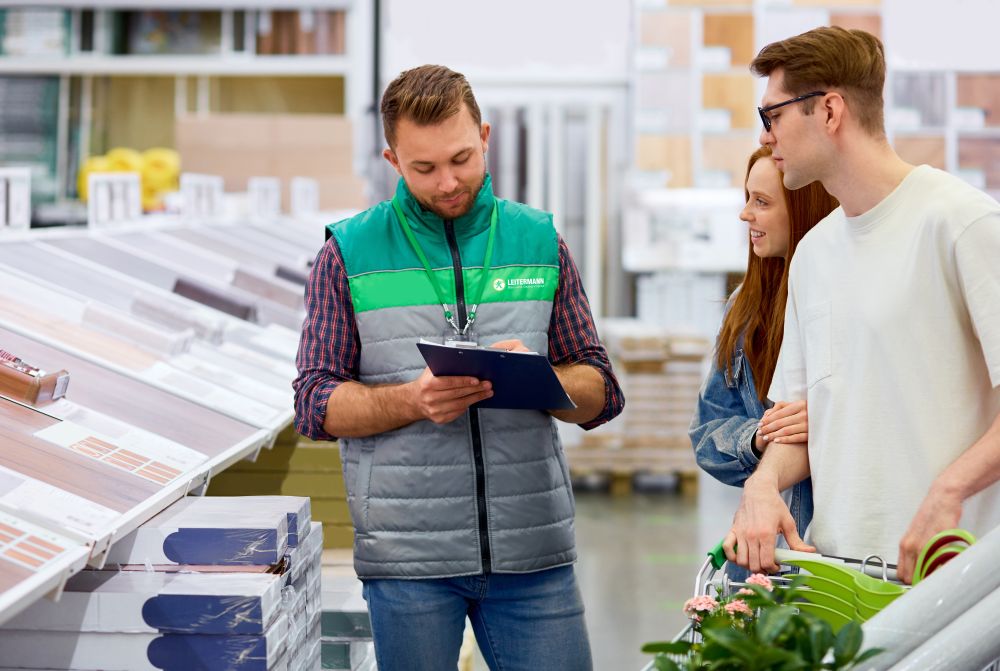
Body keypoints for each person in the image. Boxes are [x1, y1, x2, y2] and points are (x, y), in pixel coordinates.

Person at [293, 64, 624, 670]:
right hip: (407, 563)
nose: (448, 182)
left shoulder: (540, 241)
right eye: (424, 168)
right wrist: (410, 401)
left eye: (462, 158)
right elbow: (315, 404)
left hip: (534, 554)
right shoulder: (347, 253)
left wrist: (543, 383)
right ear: (393, 160)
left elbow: (601, 391)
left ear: (486, 136)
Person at [724, 26, 1000, 584]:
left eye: (772, 116)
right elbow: (801, 420)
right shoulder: (814, 254)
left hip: (952, 577)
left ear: (829, 110)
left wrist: (949, 490)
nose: (767, 136)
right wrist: (762, 483)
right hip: (839, 576)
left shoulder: (961, 223)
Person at [690, 145, 837, 579]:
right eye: (747, 198)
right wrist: (759, 437)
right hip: (763, 559)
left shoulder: (842, 301)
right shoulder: (745, 309)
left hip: (838, 557)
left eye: (762, 202)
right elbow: (707, 432)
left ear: (803, 208)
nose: (745, 215)